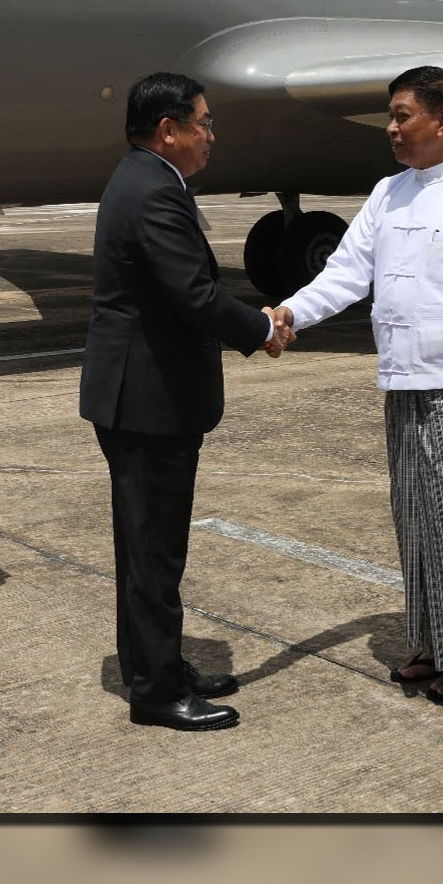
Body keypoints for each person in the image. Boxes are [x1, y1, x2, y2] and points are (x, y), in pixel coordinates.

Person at [272, 66, 443, 704]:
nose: (391, 129)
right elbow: (344, 275)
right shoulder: (387, 193)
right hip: (404, 379)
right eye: (390, 117)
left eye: (402, 116)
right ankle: (438, 641)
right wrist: (287, 313)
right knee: (418, 518)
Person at [80, 72, 287, 732]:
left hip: (141, 397)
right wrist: (261, 330)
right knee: (153, 552)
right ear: (167, 129)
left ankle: (158, 666)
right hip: (148, 403)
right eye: (201, 122)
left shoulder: (145, 179)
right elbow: (194, 296)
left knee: (148, 548)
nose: (209, 134)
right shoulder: (153, 193)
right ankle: (157, 690)